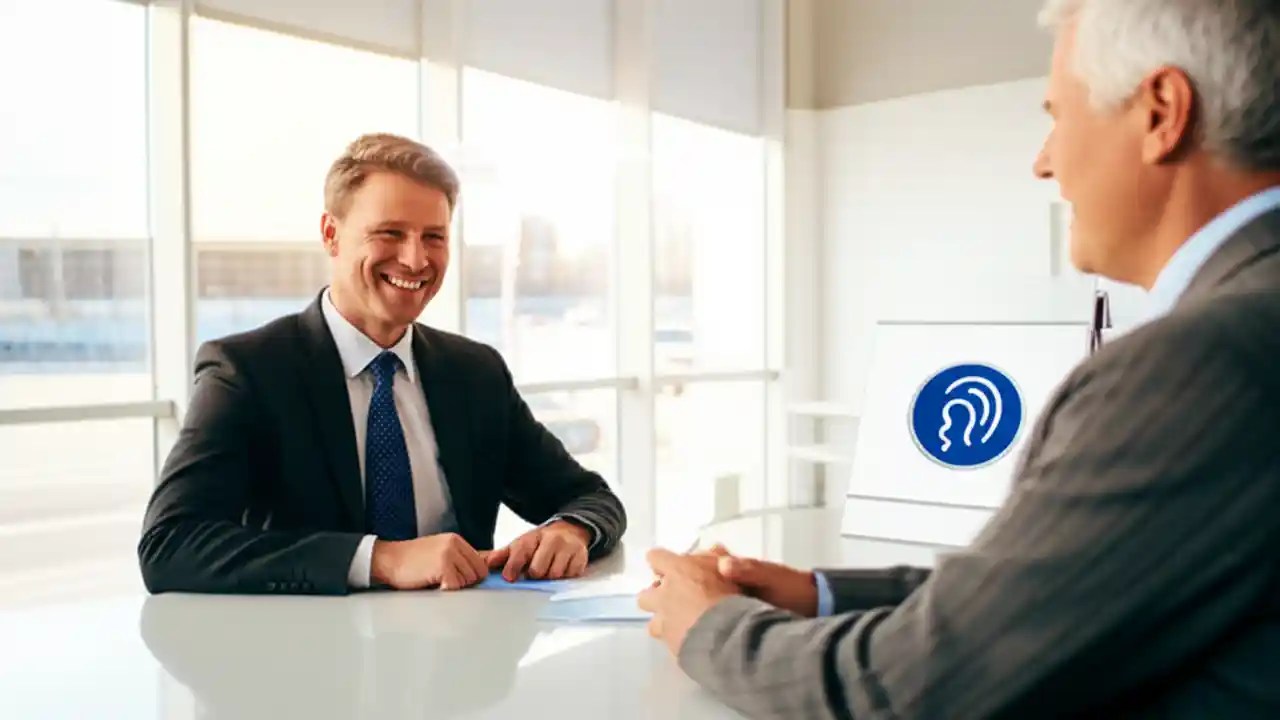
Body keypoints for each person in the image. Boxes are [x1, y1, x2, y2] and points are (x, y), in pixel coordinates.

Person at [639, 0, 1280, 717]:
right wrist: (818, 593)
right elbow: (1050, 597)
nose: (1043, 162)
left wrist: (710, 625)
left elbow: (912, 689)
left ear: (1161, 112)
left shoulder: (1199, 361)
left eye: (1058, 116)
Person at [139, 133, 626, 595]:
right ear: (331, 234)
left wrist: (571, 529)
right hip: (309, 650)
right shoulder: (249, 372)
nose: (415, 260)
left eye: (433, 237)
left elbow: (591, 497)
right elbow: (170, 543)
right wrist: (381, 559)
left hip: (464, 645)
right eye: (390, 233)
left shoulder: (474, 373)